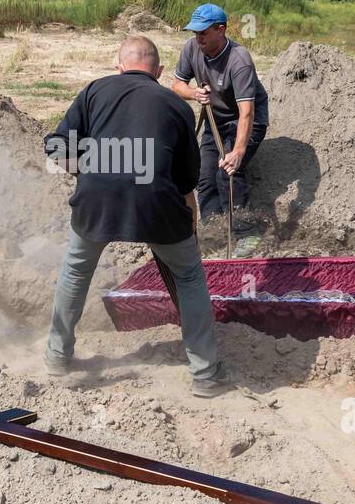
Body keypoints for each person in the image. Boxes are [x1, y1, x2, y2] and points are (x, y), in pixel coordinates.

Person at [43, 35, 232, 398]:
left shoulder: (93, 91)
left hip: (96, 199)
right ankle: (206, 375)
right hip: (157, 201)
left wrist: (88, 172)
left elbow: (56, 146)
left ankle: (57, 357)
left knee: (76, 269)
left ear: (118, 66)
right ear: (159, 71)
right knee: (189, 277)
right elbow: (186, 180)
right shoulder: (176, 105)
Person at [169, 4, 269, 225]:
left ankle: (244, 233)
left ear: (221, 29)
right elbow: (177, 85)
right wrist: (193, 93)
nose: (198, 38)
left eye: (203, 32)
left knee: (227, 173)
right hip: (216, 120)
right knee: (204, 178)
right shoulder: (191, 49)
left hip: (248, 120)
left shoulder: (239, 60)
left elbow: (247, 112)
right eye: (195, 33)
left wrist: (238, 152)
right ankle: (213, 230)